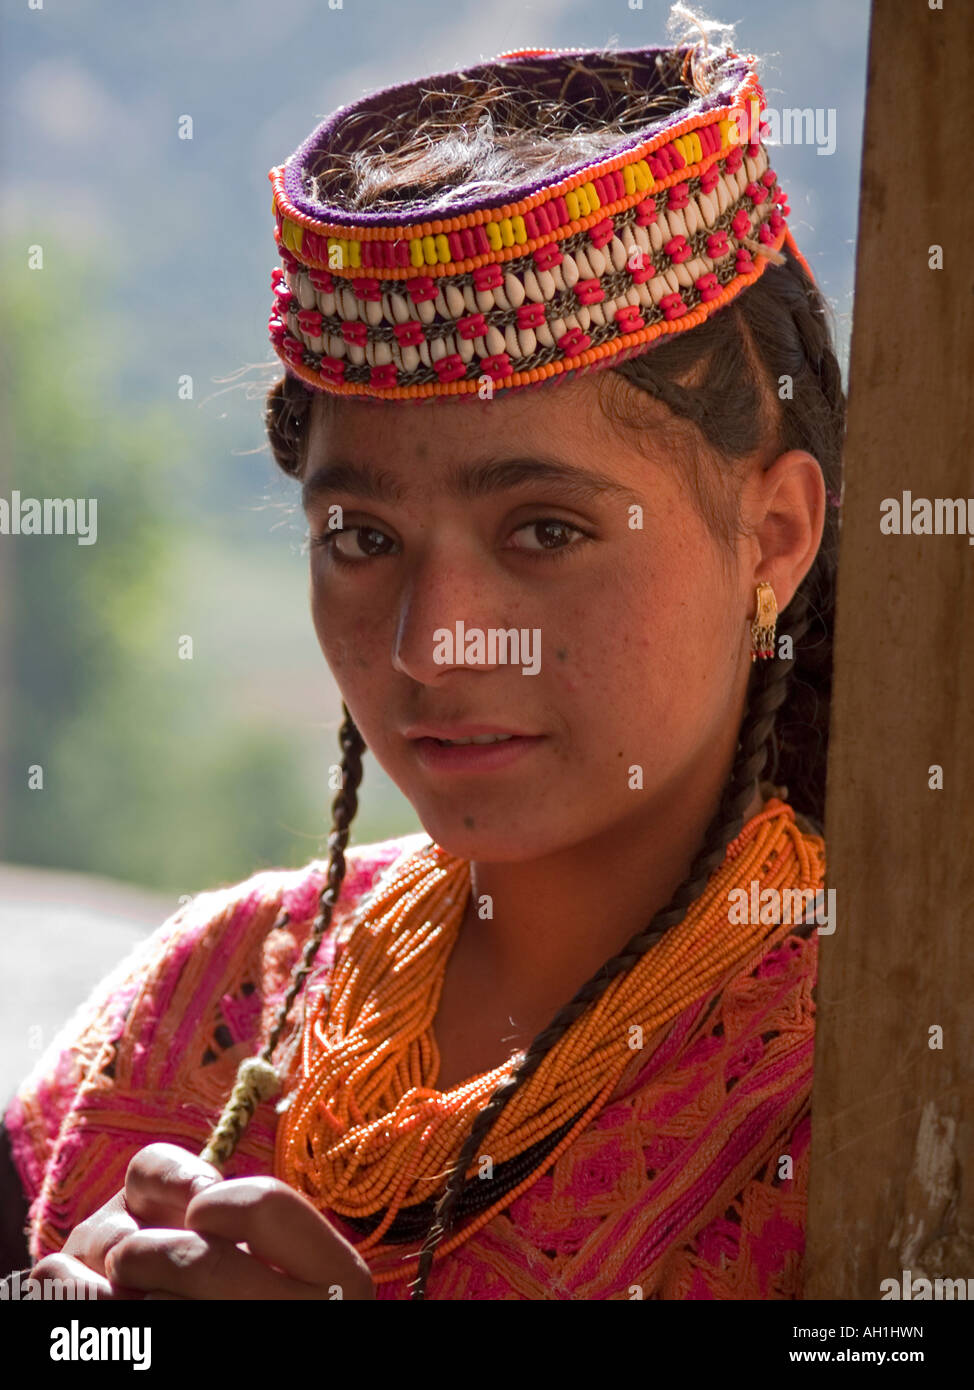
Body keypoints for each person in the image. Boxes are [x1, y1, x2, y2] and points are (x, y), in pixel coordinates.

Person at [0, 15, 845, 1300]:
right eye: (362, 536)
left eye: (545, 530)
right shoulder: (202, 997)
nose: (435, 643)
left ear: (769, 536)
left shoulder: (880, 1076)